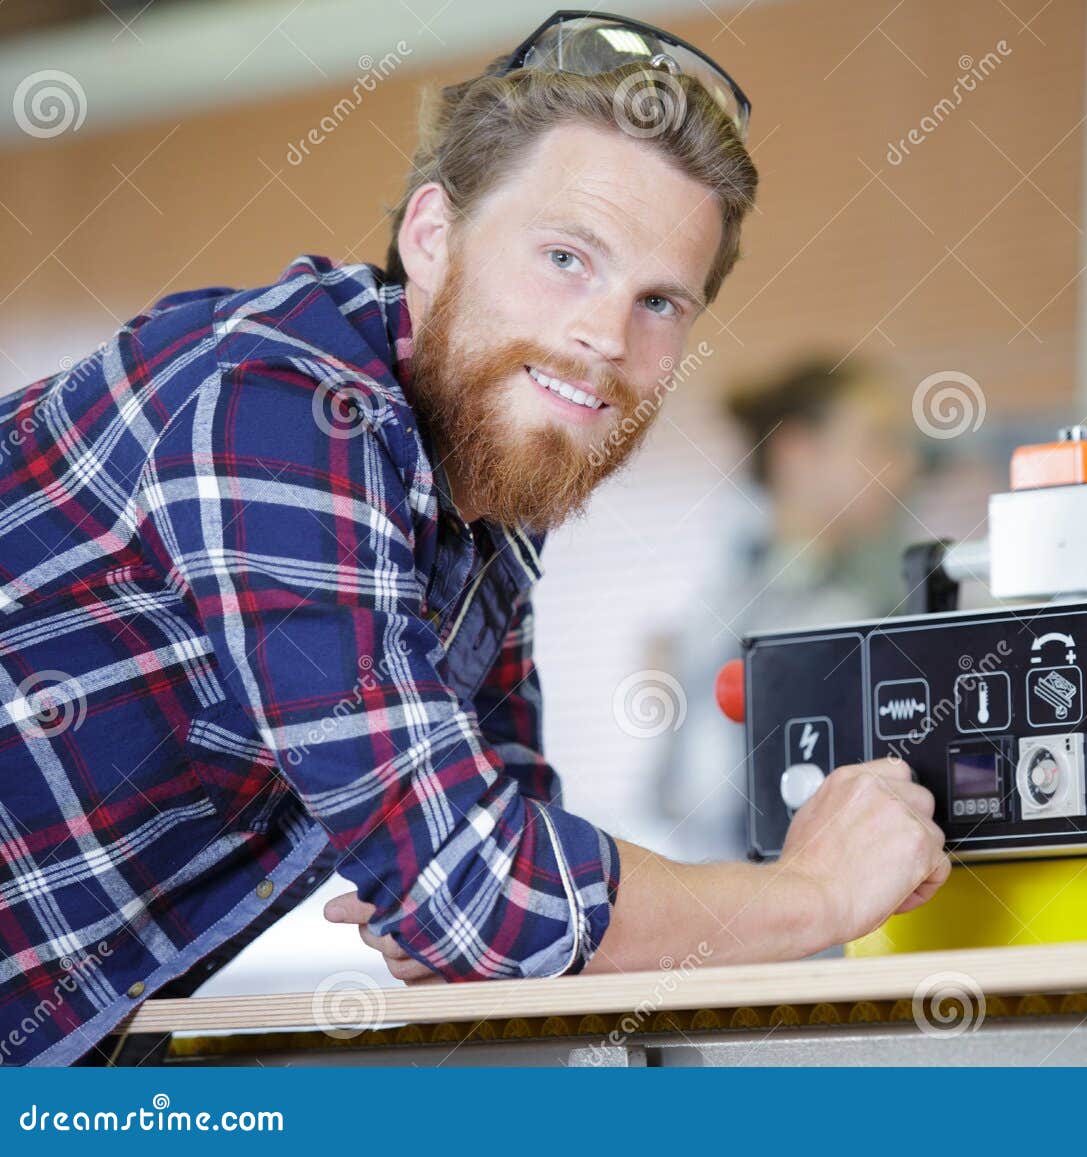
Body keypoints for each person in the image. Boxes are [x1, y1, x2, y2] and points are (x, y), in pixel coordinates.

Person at [0, 11, 948, 1066]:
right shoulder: (273, 413)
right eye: (564, 256)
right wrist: (811, 892)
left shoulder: (480, 508)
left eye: (661, 301)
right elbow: (474, 891)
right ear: (431, 237)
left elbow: (501, 853)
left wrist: (494, 896)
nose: (604, 338)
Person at [653, 358, 920, 860]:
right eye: (877, 441)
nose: (902, 465)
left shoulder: (837, 596)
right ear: (799, 453)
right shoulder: (759, 614)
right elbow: (702, 801)